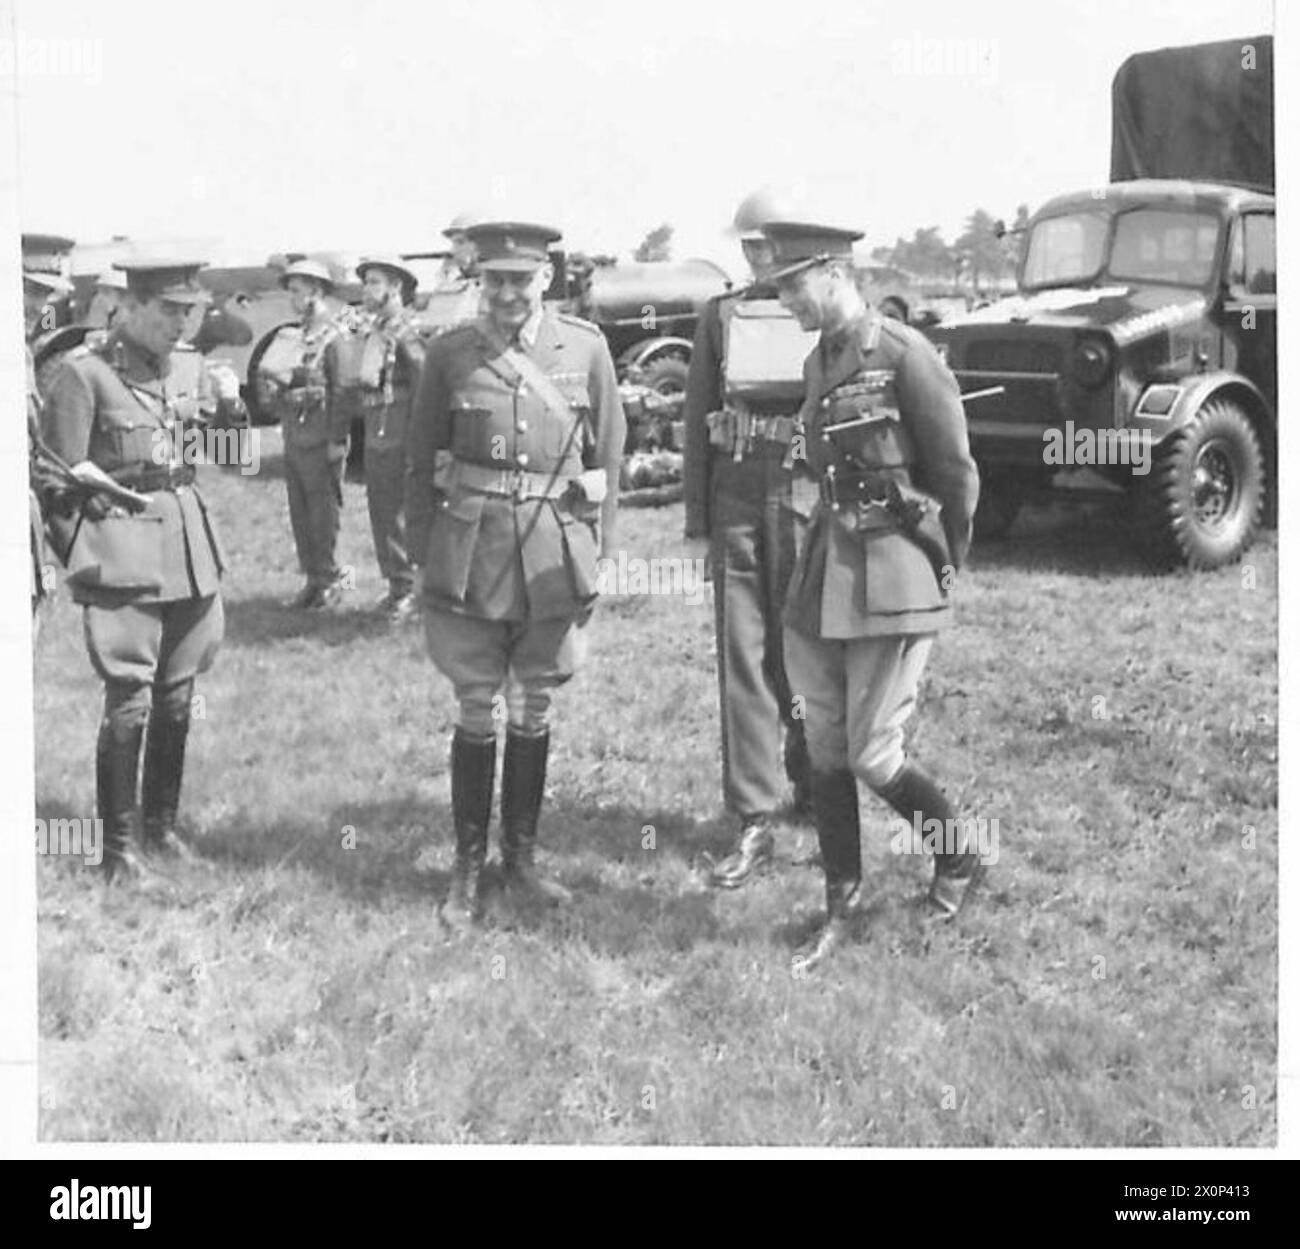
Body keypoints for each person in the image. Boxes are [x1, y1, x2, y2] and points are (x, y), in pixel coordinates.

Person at [759, 219, 983, 966]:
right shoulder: (818, 360)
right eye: (781, 287)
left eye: (794, 285)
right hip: (826, 572)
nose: (787, 300)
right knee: (824, 742)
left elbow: (955, 474)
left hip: (895, 572)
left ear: (833, 271)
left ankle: (958, 854)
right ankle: (840, 901)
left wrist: (939, 568)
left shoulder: (903, 354)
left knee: (873, 750)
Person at [406, 220, 625, 931]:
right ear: (479, 281)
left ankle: (522, 860)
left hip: (553, 551)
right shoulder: (448, 353)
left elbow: (610, 462)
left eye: (520, 280)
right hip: (471, 550)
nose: (506, 293)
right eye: (493, 280)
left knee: (535, 703)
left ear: (547, 280)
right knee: (476, 703)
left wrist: (599, 552)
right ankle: (468, 866)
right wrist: (421, 555)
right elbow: (419, 461)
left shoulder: (585, 349)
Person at [39, 261, 227, 882]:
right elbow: (51, 480)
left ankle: (161, 829)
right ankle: (118, 850)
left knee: (177, 695)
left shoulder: (174, 371)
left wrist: (225, 416)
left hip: (185, 544)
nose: (182, 323)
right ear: (132, 306)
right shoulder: (83, 375)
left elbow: (189, 454)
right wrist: (86, 558)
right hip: (123, 556)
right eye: (170, 311)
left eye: (187, 311)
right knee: (130, 701)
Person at [683, 188, 814, 889]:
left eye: (768, 245)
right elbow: (699, 410)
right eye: (749, 245)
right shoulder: (719, 315)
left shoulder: (820, 311)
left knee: (810, 649)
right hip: (736, 492)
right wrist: (699, 518)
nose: (757, 256)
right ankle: (754, 816)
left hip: (804, 491)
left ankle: (817, 781)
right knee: (743, 654)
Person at [255, 258, 355, 609]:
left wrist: (337, 440)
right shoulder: (296, 336)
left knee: (327, 514)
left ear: (316, 291)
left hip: (323, 439)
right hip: (296, 438)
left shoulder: (335, 336)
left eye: (297, 291)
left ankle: (338, 579)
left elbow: (344, 392)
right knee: (302, 512)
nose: (292, 299)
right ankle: (314, 578)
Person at [354, 255, 425, 619]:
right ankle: (396, 584)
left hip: (402, 432)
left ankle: (412, 588)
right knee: (381, 511)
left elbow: (424, 384)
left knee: (401, 513)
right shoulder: (375, 331)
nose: (367, 290)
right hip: (377, 430)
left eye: (375, 283)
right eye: (366, 283)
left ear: (396, 287)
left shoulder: (406, 332)